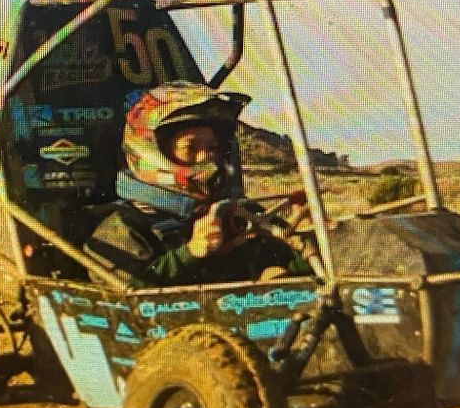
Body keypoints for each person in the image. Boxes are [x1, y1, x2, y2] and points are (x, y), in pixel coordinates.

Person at [86, 81, 311, 286]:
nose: (206, 159)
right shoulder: (122, 228)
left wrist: (300, 242)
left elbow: (310, 277)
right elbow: (129, 301)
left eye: (212, 148)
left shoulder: (237, 214)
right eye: (190, 148)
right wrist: (189, 253)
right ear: (152, 152)